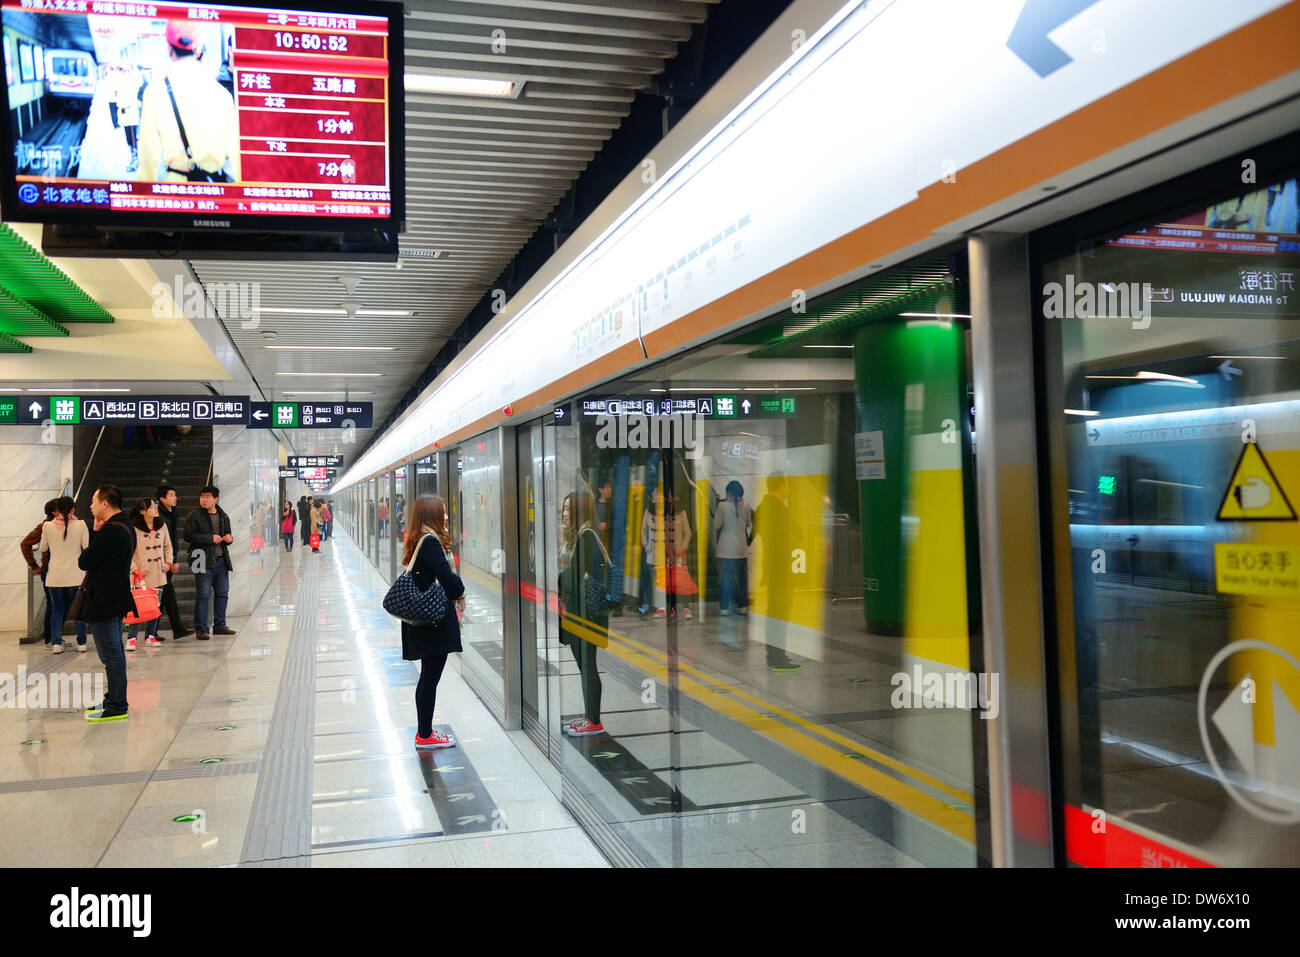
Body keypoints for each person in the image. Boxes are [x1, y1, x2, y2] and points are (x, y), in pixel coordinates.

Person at [400, 494, 466, 751]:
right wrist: (460, 593)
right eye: (442, 511)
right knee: (429, 677)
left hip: (426, 620)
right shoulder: (430, 541)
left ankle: (424, 732)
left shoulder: (420, 538)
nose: (446, 516)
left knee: (428, 676)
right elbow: (447, 577)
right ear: (431, 515)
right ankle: (425, 735)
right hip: (432, 622)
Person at [137, 21, 240, 184]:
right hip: (215, 189)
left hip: (176, 189)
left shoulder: (154, 92)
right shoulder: (221, 93)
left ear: (168, 47)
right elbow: (235, 159)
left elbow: (150, 158)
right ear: (197, 47)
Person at [79, 485, 136, 721]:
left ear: (105, 503)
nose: (90, 506)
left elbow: (85, 561)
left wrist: (95, 533)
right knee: (114, 654)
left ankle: (116, 705)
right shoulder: (125, 526)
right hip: (114, 597)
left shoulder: (112, 531)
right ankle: (113, 699)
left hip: (105, 599)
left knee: (111, 654)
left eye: (93, 501)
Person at [557, 490, 608, 737]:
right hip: (578, 613)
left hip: (586, 615)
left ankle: (594, 721)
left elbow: (576, 576)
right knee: (585, 665)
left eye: (568, 509)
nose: (564, 513)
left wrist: (559, 579)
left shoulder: (586, 536)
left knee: (588, 666)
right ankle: (589, 717)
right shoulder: (579, 536)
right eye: (564, 508)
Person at [753, 473, 800, 672]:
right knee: (780, 613)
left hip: (770, 566)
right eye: (786, 485)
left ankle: (772, 655)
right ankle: (779, 658)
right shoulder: (780, 509)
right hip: (781, 568)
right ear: (781, 485)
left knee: (773, 612)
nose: (787, 489)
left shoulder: (762, 507)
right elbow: (798, 533)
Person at [185, 485, 236, 640]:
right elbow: (188, 535)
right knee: (203, 595)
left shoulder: (223, 516)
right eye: (202, 497)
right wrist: (209, 539)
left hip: (221, 560)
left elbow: (228, 533)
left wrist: (229, 538)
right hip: (201, 558)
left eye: (207, 497)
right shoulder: (194, 515)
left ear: (216, 499)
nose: (204, 500)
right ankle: (201, 628)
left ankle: (220, 625)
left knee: (222, 594)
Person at [40, 496, 89, 653]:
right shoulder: (81, 525)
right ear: (73, 509)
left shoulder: (47, 526)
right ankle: (81, 643)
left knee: (57, 610)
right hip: (76, 575)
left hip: (55, 576)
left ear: (58, 510)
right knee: (78, 610)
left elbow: (43, 547)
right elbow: (86, 546)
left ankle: (56, 643)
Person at [125, 498, 172, 650]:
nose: (156, 508)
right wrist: (134, 569)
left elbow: (168, 546)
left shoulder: (161, 525)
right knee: (137, 606)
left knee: (155, 606)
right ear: (142, 511)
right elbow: (126, 552)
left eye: (155, 506)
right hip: (140, 575)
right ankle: (131, 638)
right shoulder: (134, 528)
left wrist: (168, 563)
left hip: (159, 572)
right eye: (152, 507)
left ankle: (150, 636)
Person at [155, 484, 191, 639]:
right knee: (166, 595)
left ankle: (154, 631)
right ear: (162, 499)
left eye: (175, 495)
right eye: (171, 495)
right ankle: (177, 629)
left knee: (163, 597)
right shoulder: (160, 516)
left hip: (167, 561)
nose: (175, 498)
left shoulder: (170, 513)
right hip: (162, 563)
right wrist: (170, 562)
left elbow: (172, 541)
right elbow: (163, 542)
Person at [18, 499, 56, 645]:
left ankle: (54, 636)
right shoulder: (43, 527)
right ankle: (50, 637)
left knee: (58, 605)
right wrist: (34, 565)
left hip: (59, 571)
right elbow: (25, 544)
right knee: (52, 604)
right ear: (54, 512)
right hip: (48, 571)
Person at [713, 480, 752, 617]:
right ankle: (742, 606)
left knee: (726, 578)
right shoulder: (746, 505)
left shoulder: (722, 506)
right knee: (741, 579)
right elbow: (748, 524)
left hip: (726, 549)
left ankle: (724, 607)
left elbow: (716, 525)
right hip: (741, 549)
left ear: (728, 492)